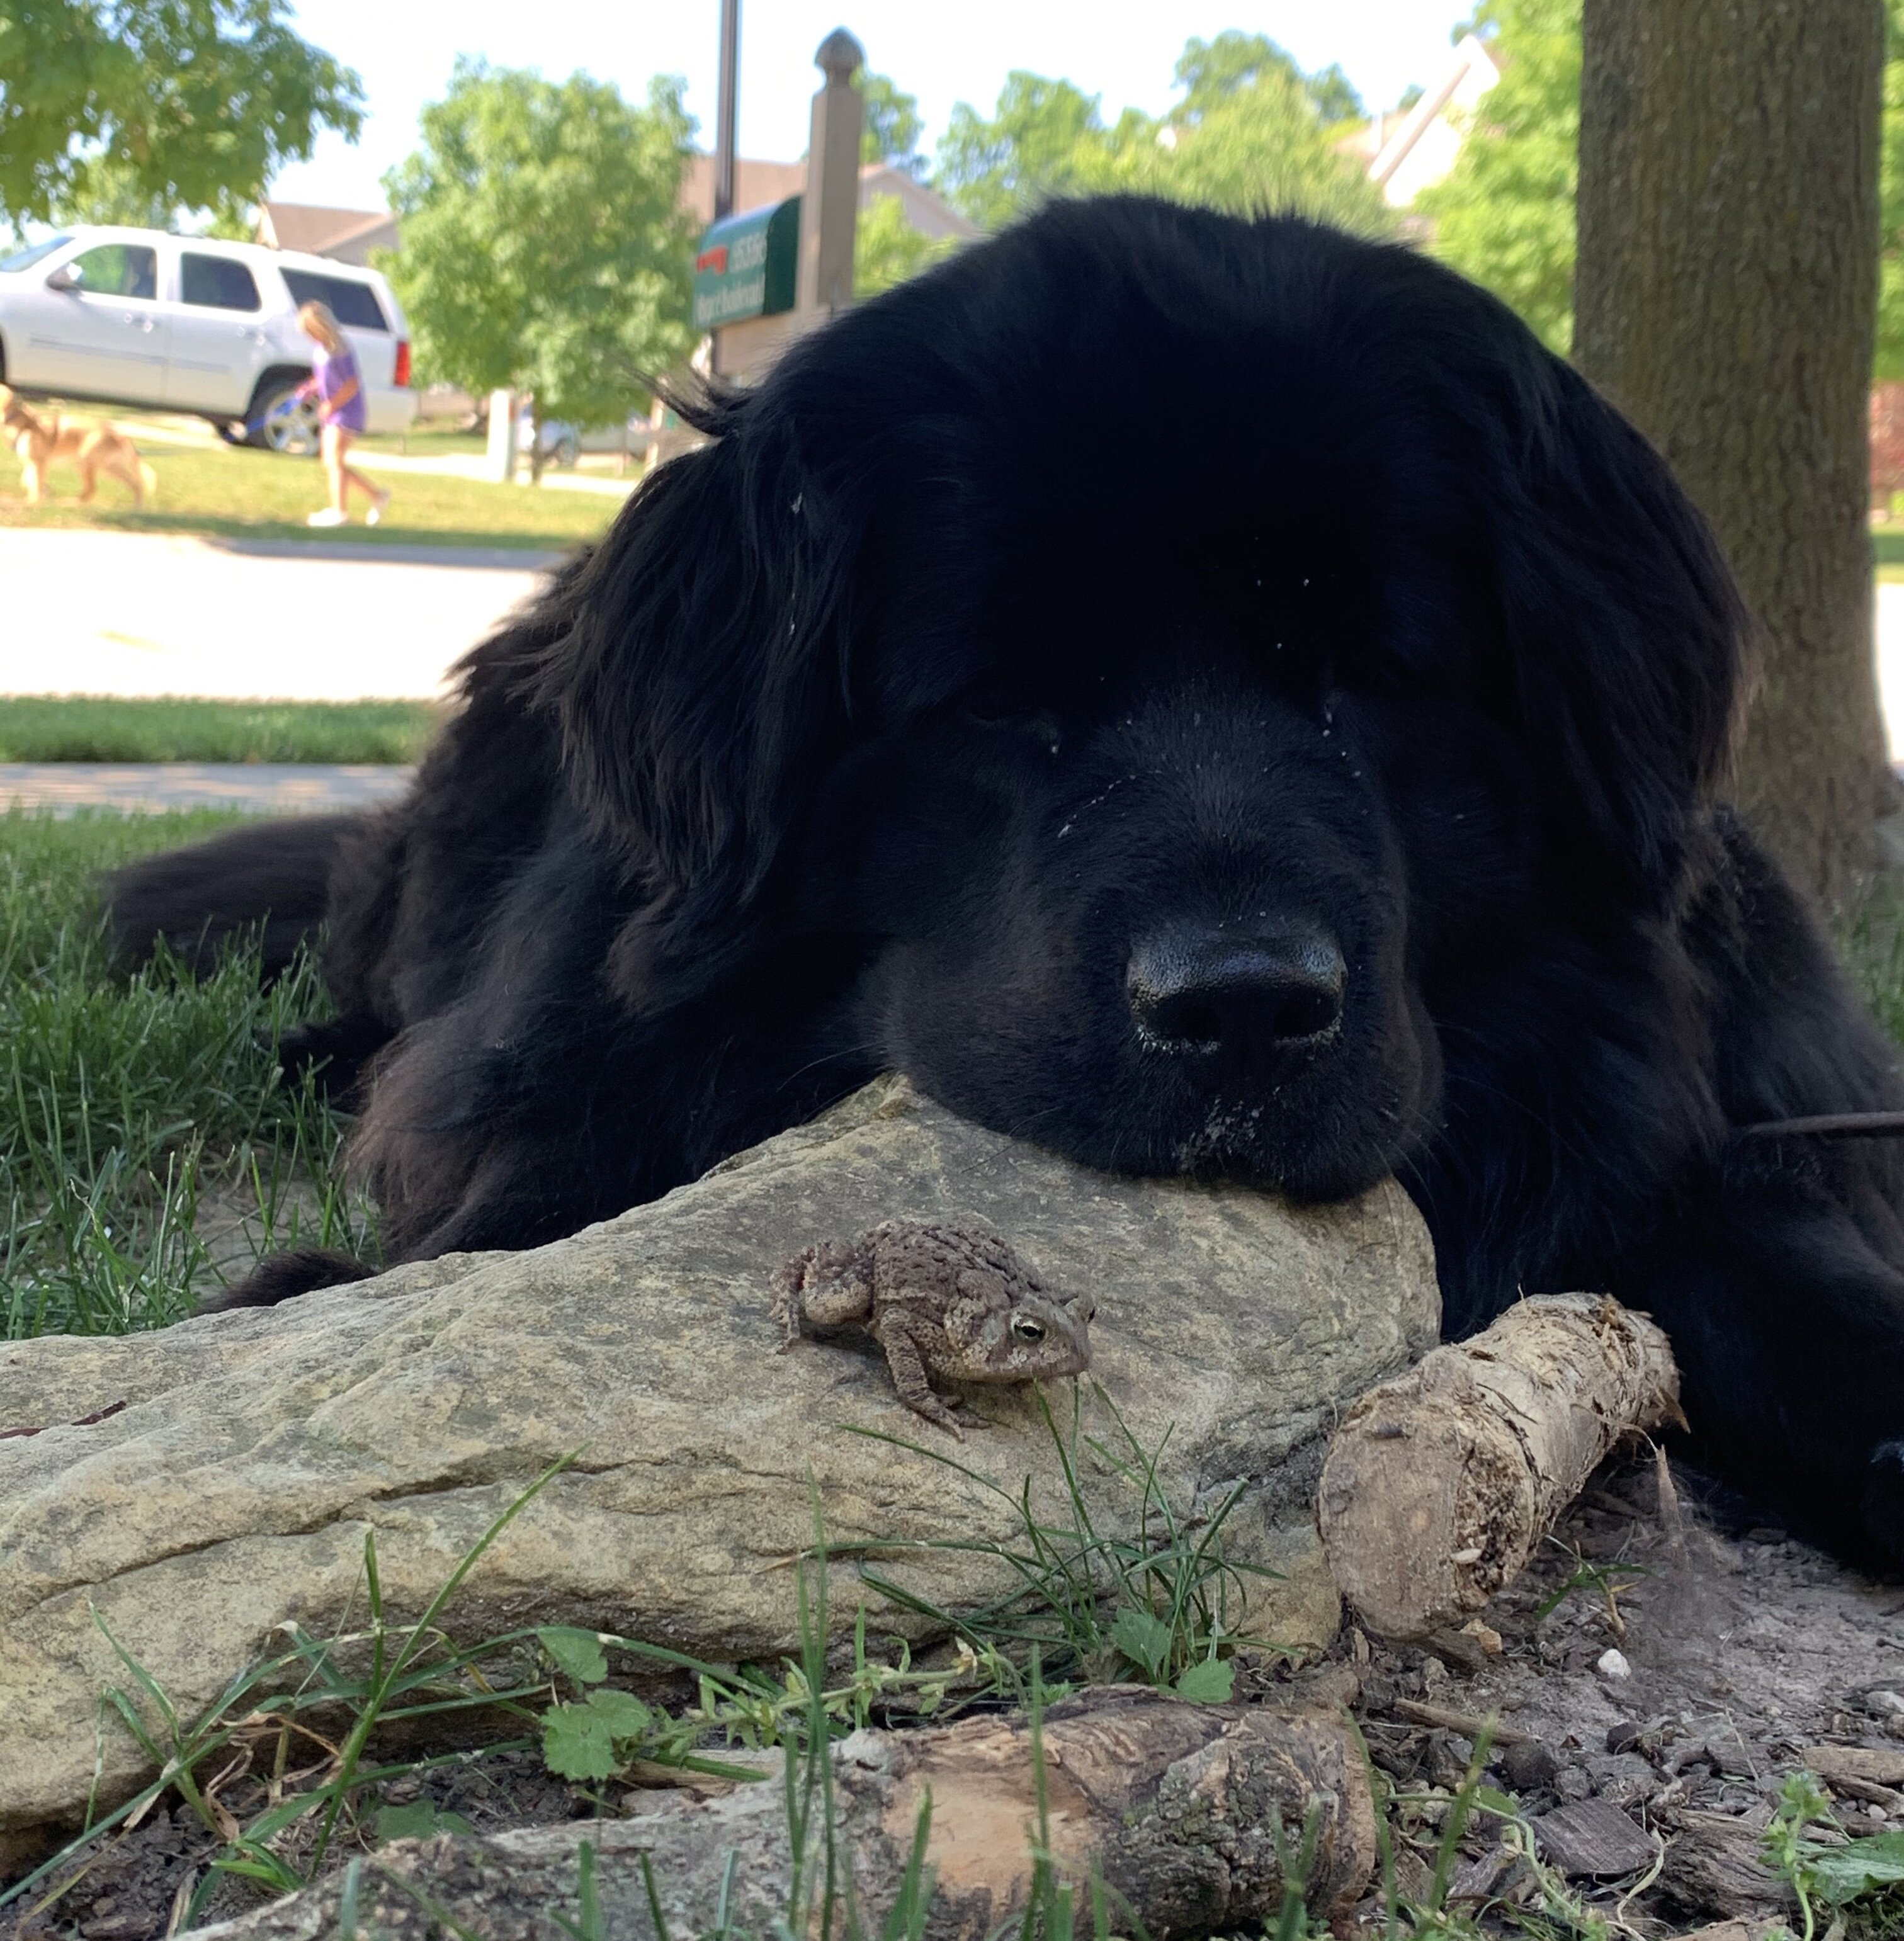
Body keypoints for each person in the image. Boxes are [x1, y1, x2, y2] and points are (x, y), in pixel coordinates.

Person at [293, 300, 390, 529]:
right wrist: (311, 388)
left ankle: (340, 512)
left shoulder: (340, 350)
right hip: (334, 411)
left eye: (311, 331)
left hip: (347, 411)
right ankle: (377, 496)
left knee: (335, 460)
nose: (309, 336)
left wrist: (332, 405)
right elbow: (325, 379)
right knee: (331, 462)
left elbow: (352, 384)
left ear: (322, 326)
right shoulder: (320, 350)